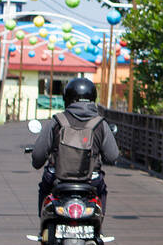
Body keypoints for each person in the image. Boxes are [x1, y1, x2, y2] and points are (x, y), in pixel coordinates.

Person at [31, 76, 120, 216]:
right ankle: (98, 228)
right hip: (91, 179)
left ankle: (44, 229)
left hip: (57, 178)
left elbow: (38, 156)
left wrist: (37, 162)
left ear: (67, 98)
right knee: (101, 190)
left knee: (44, 187)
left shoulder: (57, 121)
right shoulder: (100, 124)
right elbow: (113, 156)